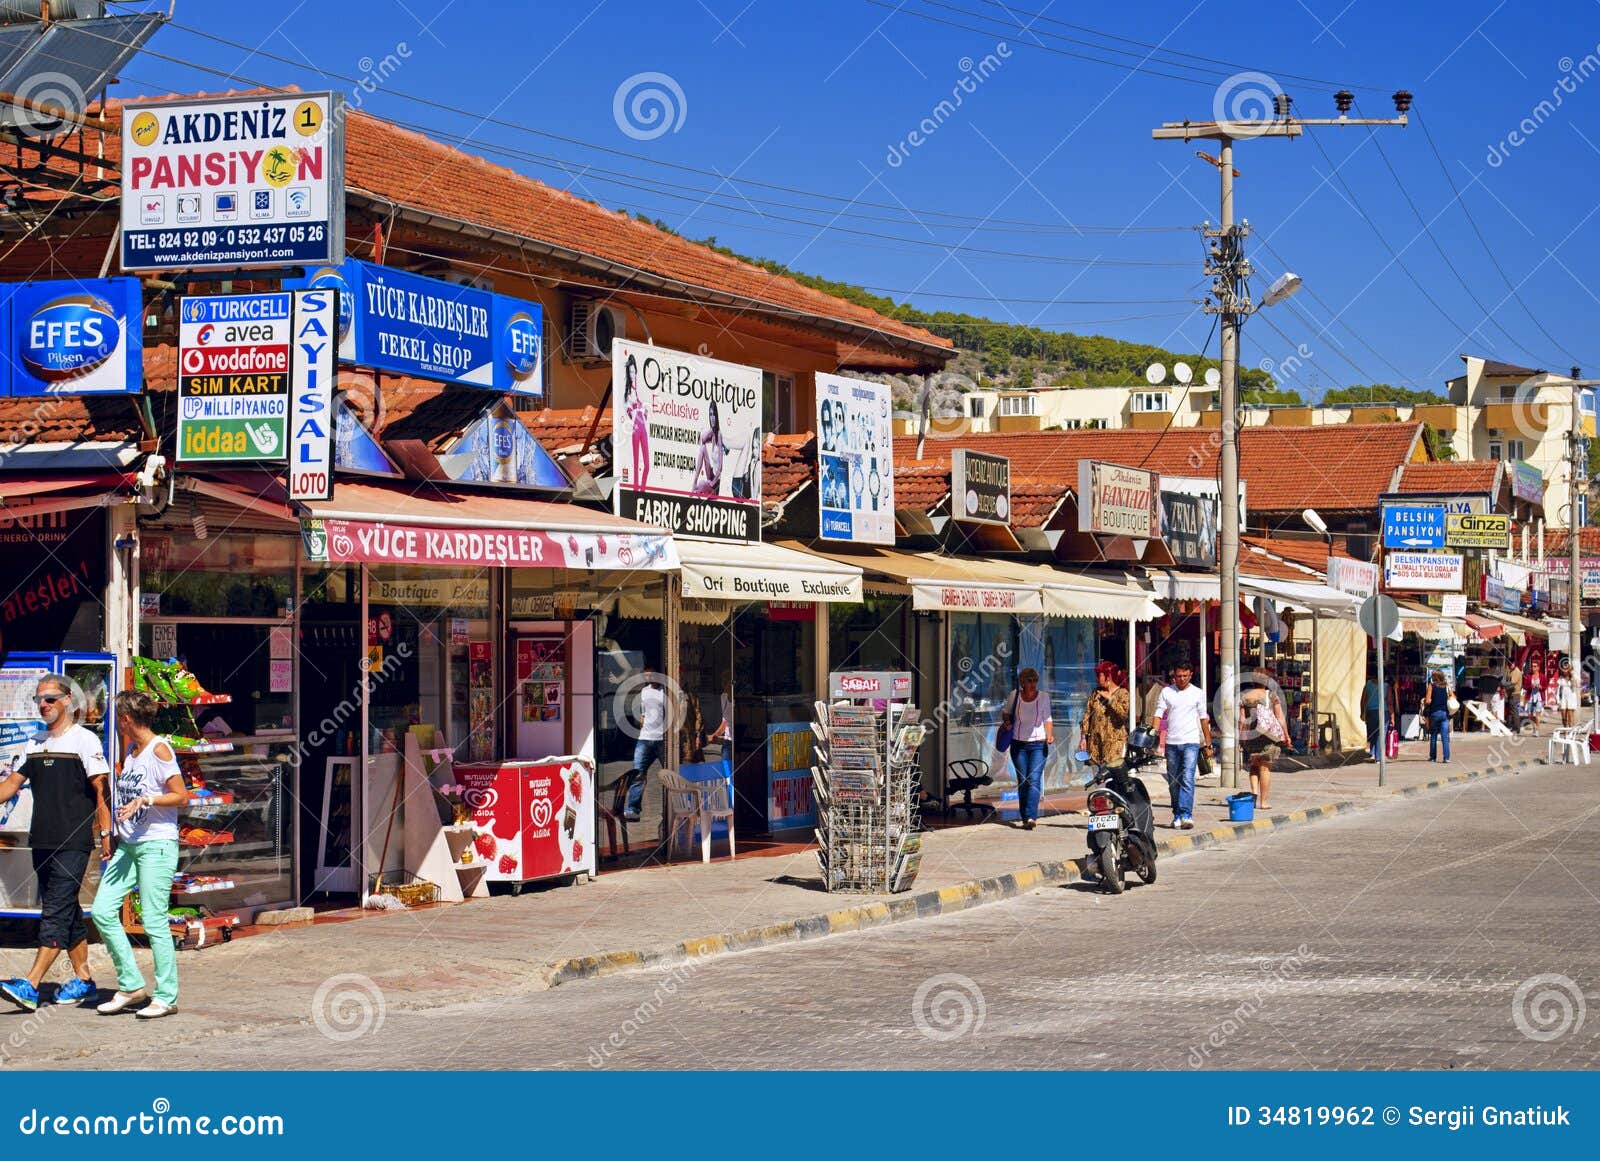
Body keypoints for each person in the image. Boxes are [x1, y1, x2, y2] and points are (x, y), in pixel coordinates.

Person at [0, 675, 111, 1011]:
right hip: (42, 841)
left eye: (49, 699)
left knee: (54, 912)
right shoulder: (34, 743)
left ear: (67, 700)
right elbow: (10, 786)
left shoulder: (85, 740)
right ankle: (84, 981)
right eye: (39, 700)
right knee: (67, 911)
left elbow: (101, 790)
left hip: (73, 841)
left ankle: (31, 984)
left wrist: (106, 833)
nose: (43, 705)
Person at [90, 689, 188, 1019]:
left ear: (126, 718)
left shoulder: (159, 749)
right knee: (103, 911)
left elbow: (181, 796)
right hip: (129, 845)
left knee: (154, 920)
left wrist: (146, 800)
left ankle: (166, 996)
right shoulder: (132, 750)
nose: (116, 722)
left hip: (157, 844)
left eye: (117, 717)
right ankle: (131, 985)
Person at [1155, 663, 1212, 829]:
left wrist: (1208, 744)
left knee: (1187, 778)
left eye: (1185, 676)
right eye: (1178, 676)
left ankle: (1186, 815)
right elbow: (1158, 714)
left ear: (1191, 675)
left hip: (1191, 743)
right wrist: (1153, 735)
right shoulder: (1166, 692)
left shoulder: (1198, 693)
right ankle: (1177, 814)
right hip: (1171, 743)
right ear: (1174, 676)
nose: (1181, 679)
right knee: (1173, 781)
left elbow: (1203, 719)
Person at [1000, 667, 1053, 830]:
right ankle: (1025, 816)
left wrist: (1050, 735)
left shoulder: (1044, 697)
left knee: (1034, 779)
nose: (1033, 684)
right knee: (1023, 781)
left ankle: (1031, 816)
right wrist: (1007, 722)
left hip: (1038, 744)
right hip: (1018, 744)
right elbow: (1006, 713)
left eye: (1035, 680)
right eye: (1029, 680)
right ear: (1022, 682)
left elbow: (1048, 719)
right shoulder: (1014, 695)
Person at [624, 673, 669, 821]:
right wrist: (641, 728)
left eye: (652, 674)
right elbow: (643, 714)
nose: (649, 677)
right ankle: (633, 809)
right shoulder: (644, 691)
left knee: (671, 775)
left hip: (662, 740)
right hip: (645, 738)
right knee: (638, 773)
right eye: (647, 674)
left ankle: (674, 808)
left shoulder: (666, 691)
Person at [1240, 685, 1289, 810]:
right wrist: (1286, 735)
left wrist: (1241, 739)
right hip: (1268, 737)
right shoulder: (1271, 696)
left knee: (1254, 766)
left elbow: (1242, 720)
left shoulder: (1245, 697)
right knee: (1265, 769)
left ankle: (1254, 795)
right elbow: (1280, 717)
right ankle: (1264, 802)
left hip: (1251, 735)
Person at [1079, 661, 1130, 767]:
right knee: (1098, 774)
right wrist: (1083, 737)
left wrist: (1111, 700)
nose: (1096, 679)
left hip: (1114, 743)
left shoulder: (1122, 693)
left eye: (1099, 676)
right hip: (1096, 743)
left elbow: (1123, 714)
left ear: (1108, 676)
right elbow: (1087, 714)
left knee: (1111, 771)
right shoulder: (1096, 693)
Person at [623, 355, 650, 492]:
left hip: (643, 425)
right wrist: (633, 411)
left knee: (647, 465)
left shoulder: (640, 387)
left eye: (634, 371)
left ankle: (642, 489)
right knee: (635, 464)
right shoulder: (628, 391)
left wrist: (644, 409)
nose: (632, 374)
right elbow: (627, 407)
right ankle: (635, 490)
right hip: (635, 425)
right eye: (630, 372)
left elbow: (646, 404)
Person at [692, 399, 728, 495]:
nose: (712, 418)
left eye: (714, 415)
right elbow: (702, 440)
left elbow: (720, 468)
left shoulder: (719, 435)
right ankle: (694, 482)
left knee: (702, 484)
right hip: (711, 474)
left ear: (717, 416)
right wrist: (711, 429)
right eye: (710, 415)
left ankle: (700, 489)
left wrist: (712, 482)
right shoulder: (713, 434)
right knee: (703, 448)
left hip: (716, 483)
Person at [1421, 670, 1453, 763]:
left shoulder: (1432, 686)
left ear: (1434, 677)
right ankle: (1446, 758)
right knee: (1445, 737)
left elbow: (1427, 701)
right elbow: (1453, 697)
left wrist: (1426, 700)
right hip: (1444, 713)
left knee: (1434, 736)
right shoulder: (1446, 686)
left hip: (1434, 713)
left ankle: (1433, 757)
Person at [1556, 660, 1579, 729]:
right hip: (1563, 698)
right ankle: (1565, 729)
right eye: (1563, 669)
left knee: (1570, 716)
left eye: (1566, 669)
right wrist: (1557, 699)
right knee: (1563, 717)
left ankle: (1571, 730)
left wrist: (1572, 675)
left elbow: (1576, 685)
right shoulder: (1561, 678)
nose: (1564, 670)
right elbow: (1558, 690)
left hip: (1571, 698)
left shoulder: (1573, 678)